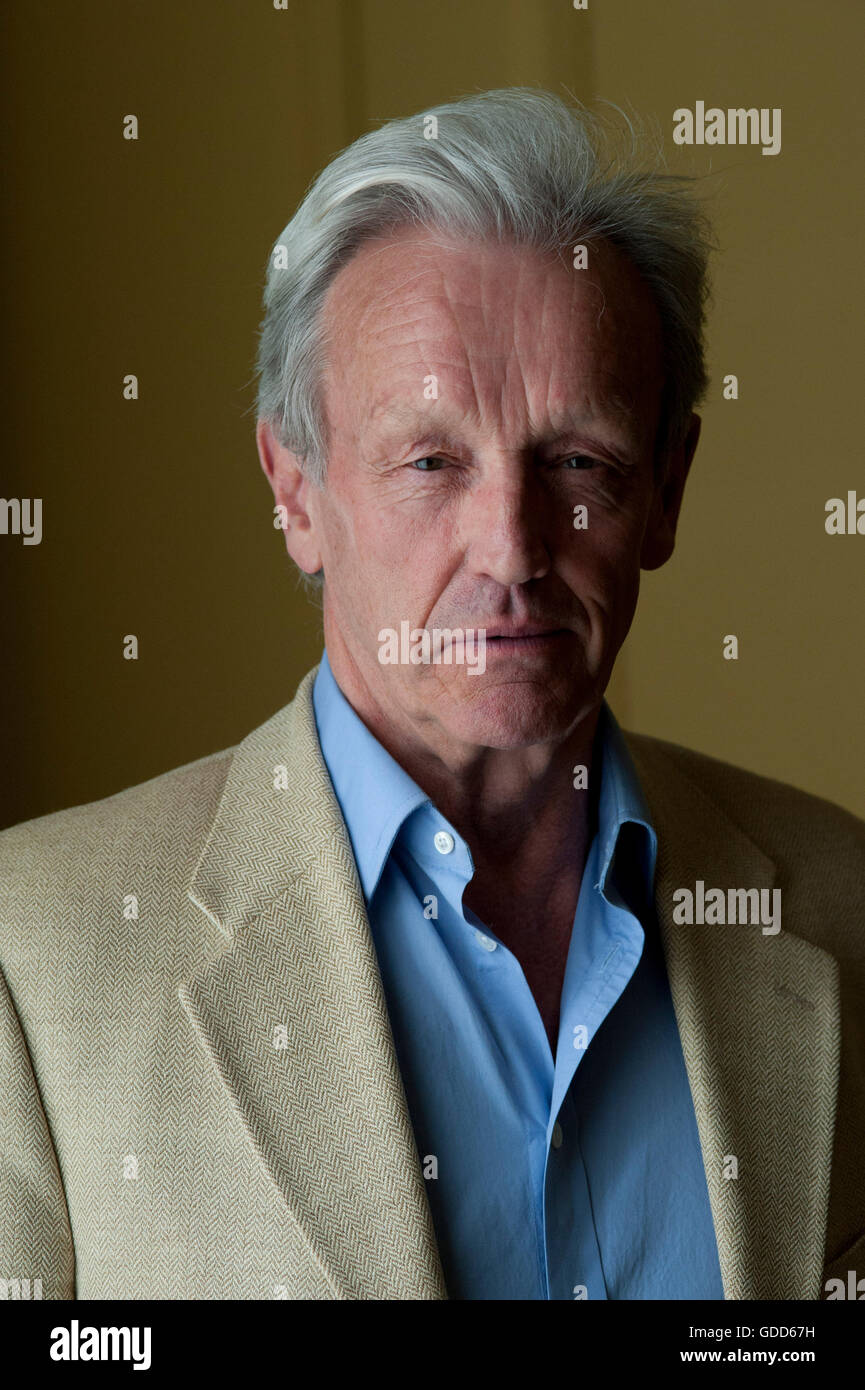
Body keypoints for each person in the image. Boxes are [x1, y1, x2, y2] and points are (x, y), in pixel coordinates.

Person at [1, 89, 862, 1302]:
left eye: (578, 461)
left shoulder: (839, 897)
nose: (511, 548)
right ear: (294, 490)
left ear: (665, 490)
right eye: (429, 461)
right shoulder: (32, 959)